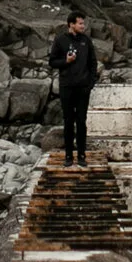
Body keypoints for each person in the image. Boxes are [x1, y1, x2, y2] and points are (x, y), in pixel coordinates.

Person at [48, 11, 99, 165]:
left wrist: (90, 84)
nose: (83, 26)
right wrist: (66, 60)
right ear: (71, 24)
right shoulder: (60, 40)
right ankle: (69, 156)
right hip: (67, 87)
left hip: (83, 88)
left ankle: (82, 155)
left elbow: (93, 63)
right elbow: (52, 62)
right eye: (80, 23)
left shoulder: (86, 41)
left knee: (81, 122)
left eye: (83, 23)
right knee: (68, 121)